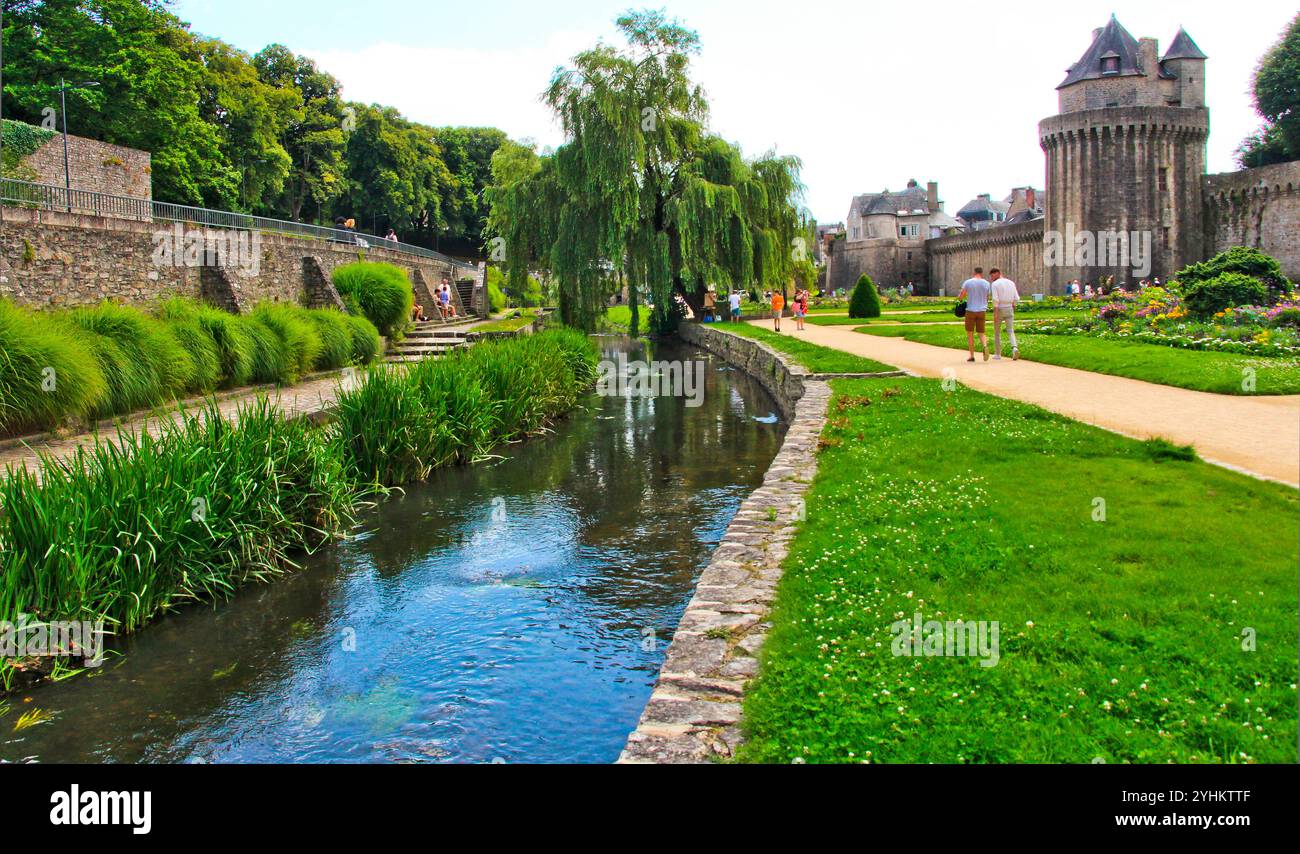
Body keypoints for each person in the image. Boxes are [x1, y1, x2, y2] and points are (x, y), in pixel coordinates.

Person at [958, 267, 991, 362]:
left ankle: (972, 356)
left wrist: (960, 298)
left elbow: (962, 295)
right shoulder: (986, 283)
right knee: (981, 332)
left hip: (970, 310)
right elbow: (987, 297)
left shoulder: (968, 282)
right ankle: (985, 346)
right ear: (981, 273)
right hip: (982, 310)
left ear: (974, 272)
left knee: (970, 333)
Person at [989, 268, 1020, 361]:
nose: (992, 277)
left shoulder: (995, 284)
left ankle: (998, 353)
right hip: (1009, 307)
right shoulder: (1011, 282)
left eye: (993, 275)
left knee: (997, 332)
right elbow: (1016, 298)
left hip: (1000, 308)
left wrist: (995, 313)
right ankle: (1014, 348)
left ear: (998, 273)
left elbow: (995, 299)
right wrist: (1013, 307)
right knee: (1010, 330)